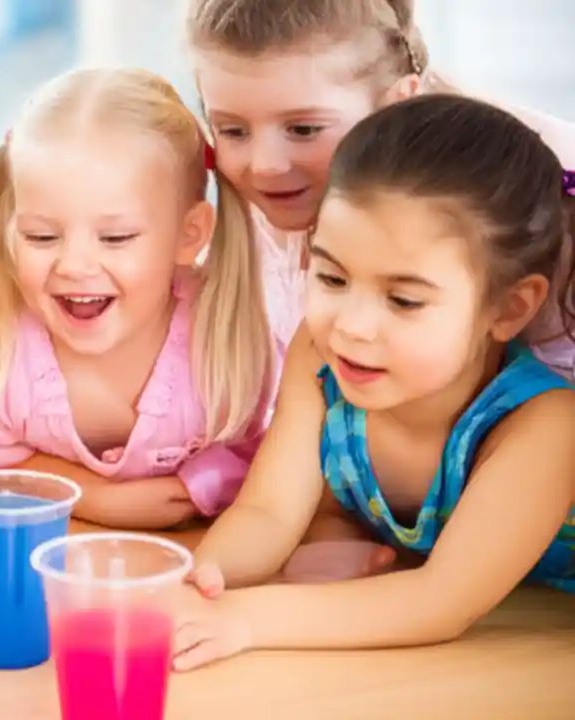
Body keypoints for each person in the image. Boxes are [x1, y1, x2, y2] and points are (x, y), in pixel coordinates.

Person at [173, 95, 575, 670]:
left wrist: (245, 619)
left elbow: (442, 602)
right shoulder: (320, 358)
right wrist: (199, 586)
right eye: (332, 276)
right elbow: (268, 513)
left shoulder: (544, 423)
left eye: (403, 299)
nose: (353, 327)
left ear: (508, 308)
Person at [0, 67, 274, 529]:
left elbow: (258, 458)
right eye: (41, 236)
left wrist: (183, 494)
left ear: (189, 233)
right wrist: (101, 501)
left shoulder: (231, 341)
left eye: (115, 237)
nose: (75, 266)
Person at [187, 0, 575, 376]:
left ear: (398, 103)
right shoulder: (272, 214)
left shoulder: (513, 218)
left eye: (304, 130)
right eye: (233, 130)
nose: (266, 165)